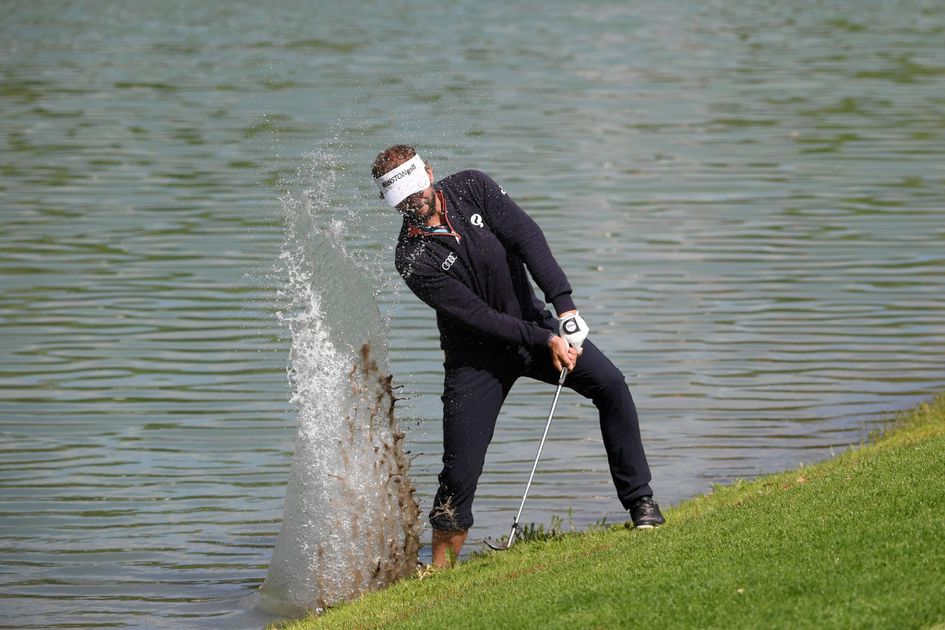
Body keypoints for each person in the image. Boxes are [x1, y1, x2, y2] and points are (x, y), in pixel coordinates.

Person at [372, 145, 664, 568]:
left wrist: (563, 308)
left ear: (430, 173)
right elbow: (478, 317)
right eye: (403, 200)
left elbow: (527, 237)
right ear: (392, 202)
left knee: (611, 385)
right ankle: (440, 573)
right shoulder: (411, 258)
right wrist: (544, 340)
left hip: (539, 327)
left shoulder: (472, 186)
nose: (414, 202)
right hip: (475, 361)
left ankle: (641, 502)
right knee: (459, 473)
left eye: (417, 190)